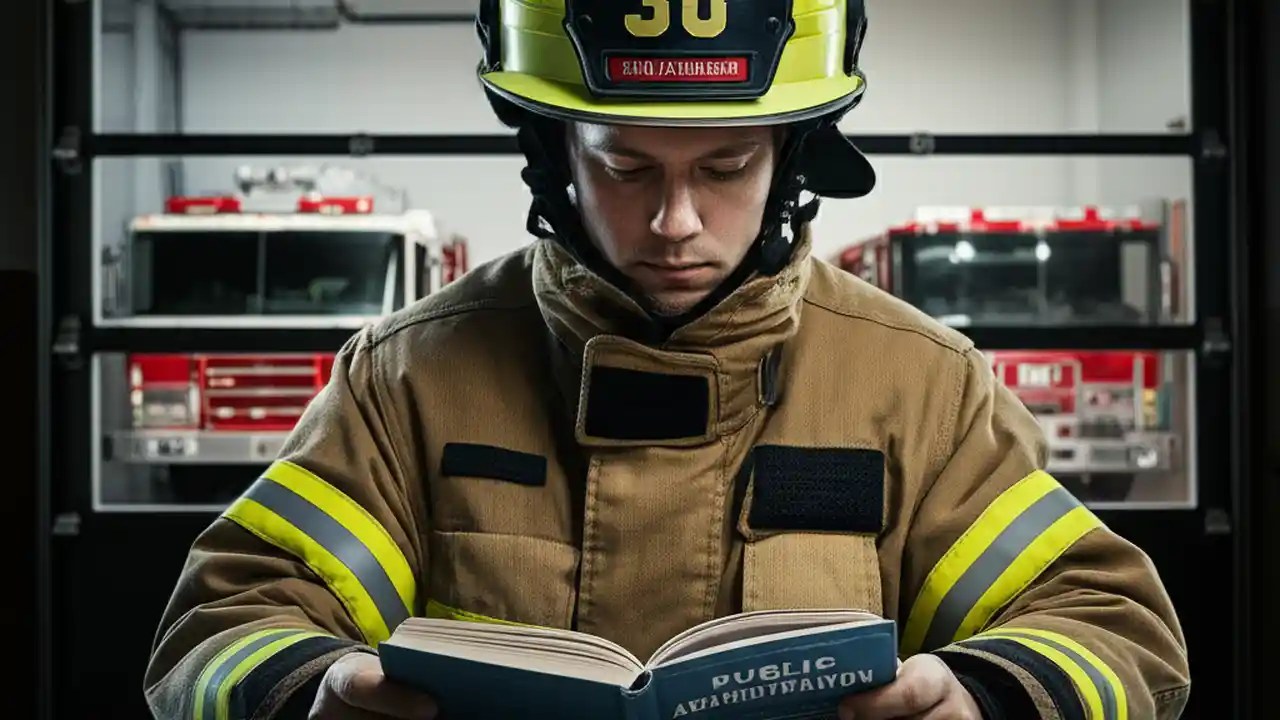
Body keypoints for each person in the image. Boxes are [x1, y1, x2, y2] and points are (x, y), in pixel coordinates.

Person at [144, 1, 1191, 718]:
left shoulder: (918, 388)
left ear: (791, 156)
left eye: (725, 166)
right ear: (551, 151)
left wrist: (989, 692)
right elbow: (233, 615)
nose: (677, 220)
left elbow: (1107, 624)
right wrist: (310, 685)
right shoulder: (408, 377)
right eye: (624, 164)